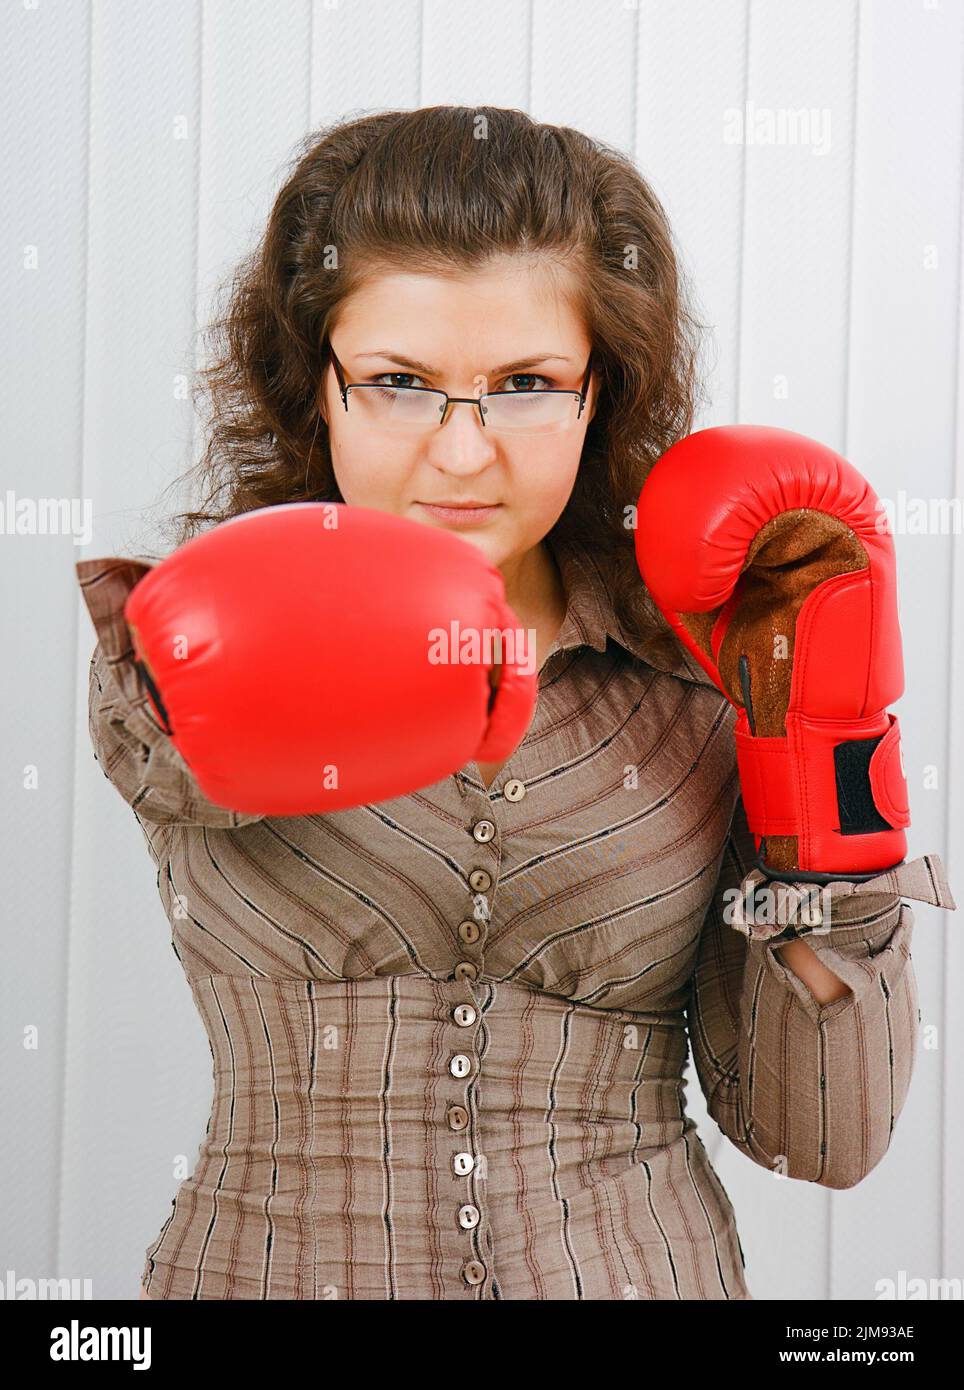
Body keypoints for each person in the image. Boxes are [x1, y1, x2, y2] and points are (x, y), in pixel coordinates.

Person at [76, 106, 954, 1301]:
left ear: (600, 393)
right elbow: (170, 761)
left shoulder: (702, 669)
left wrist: (826, 759)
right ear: (314, 381)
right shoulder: (195, 630)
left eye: (526, 383)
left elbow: (822, 1140)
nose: (460, 451)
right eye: (397, 381)